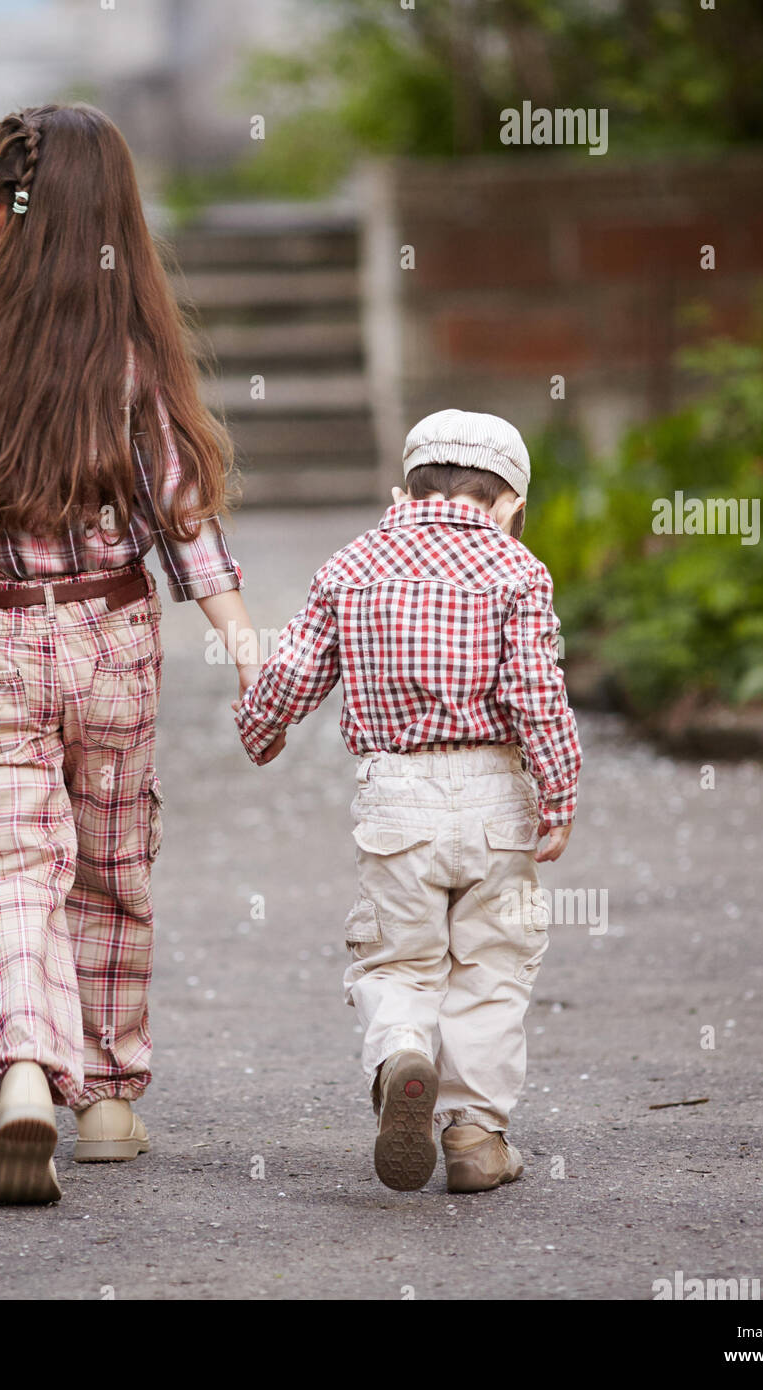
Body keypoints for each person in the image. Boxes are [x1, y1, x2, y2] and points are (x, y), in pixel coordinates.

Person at [0, 103, 262, 1204]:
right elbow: (187, 522)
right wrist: (241, 641)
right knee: (110, 864)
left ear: (3, 217)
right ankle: (105, 1100)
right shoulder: (134, 365)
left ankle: (26, 1074)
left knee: (8, 872)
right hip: (113, 640)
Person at [234, 410, 581, 1193]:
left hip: (396, 796)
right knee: (492, 965)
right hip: (497, 796)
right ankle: (476, 1136)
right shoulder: (517, 570)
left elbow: (292, 670)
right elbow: (539, 694)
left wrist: (262, 730)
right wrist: (558, 797)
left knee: (398, 956)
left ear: (403, 490)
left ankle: (402, 1054)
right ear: (507, 506)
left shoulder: (354, 562)